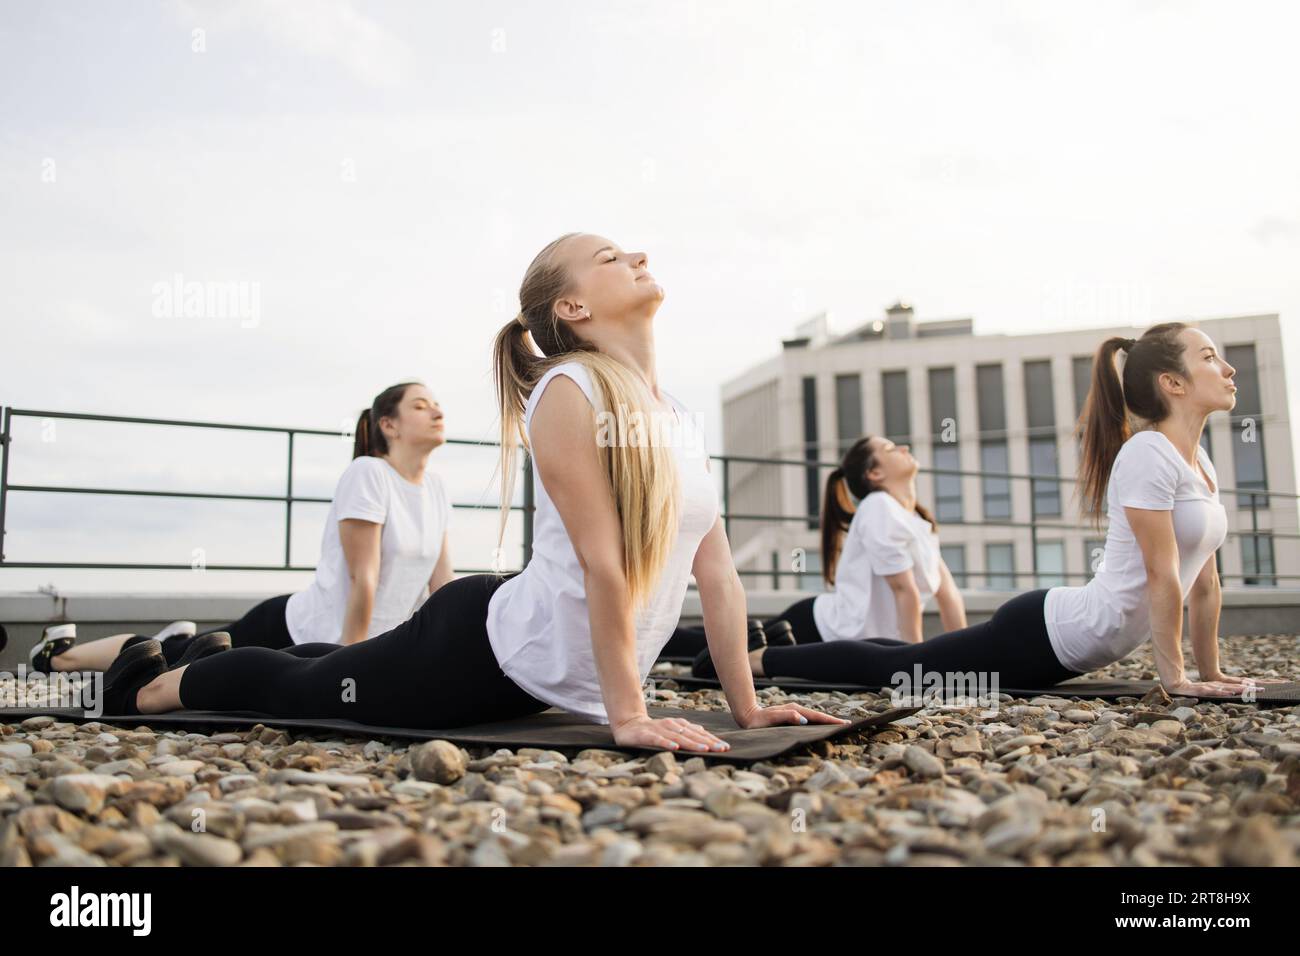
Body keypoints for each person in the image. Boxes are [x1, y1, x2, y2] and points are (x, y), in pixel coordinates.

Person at [100, 233, 846, 752]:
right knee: (308, 690)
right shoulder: (569, 390)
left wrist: (746, 706)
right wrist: (628, 714)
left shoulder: (678, 418)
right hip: (485, 651)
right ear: (573, 309)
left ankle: (195, 657)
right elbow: (603, 561)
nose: (639, 256)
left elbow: (715, 572)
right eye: (612, 257)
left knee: (328, 669)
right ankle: (147, 686)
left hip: (522, 651)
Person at [695, 322, 1276, 699]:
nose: (1227, 370)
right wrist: (1174, 678)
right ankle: (754, 661)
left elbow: (1205, 585)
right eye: (1210, 357)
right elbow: (1160, 575)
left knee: (909, 657)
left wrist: (1214, 672)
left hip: (1060, 632)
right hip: (1047, 634)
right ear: (1173, 382)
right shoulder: (1148, 453)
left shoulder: (1197, 461)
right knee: (896, 674)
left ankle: (759, 652)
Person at [35, 382, 454, 672]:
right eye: (420, 405)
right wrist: (346, 665)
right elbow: (363, 577)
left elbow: (443, 587)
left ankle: (178, 638)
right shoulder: (369, 474)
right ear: (388, 425)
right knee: (165, 661)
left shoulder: (435, 489)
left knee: (178, 659)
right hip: (297, 631)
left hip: (365, 642)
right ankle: (55, 657)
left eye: (436, 404)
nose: (437, 411)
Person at [661, 435, 967, 659]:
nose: (904, 448)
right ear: (874, 474)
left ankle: (655, 635)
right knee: (718, 644)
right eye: (890, 448)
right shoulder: (879, 507)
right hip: (821, 627)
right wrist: (915, 660)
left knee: (732, 639)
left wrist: (963, 655)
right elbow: (904, 590)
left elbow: (948, 596)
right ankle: (650, 636)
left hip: (846, 634)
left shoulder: (918, 520)